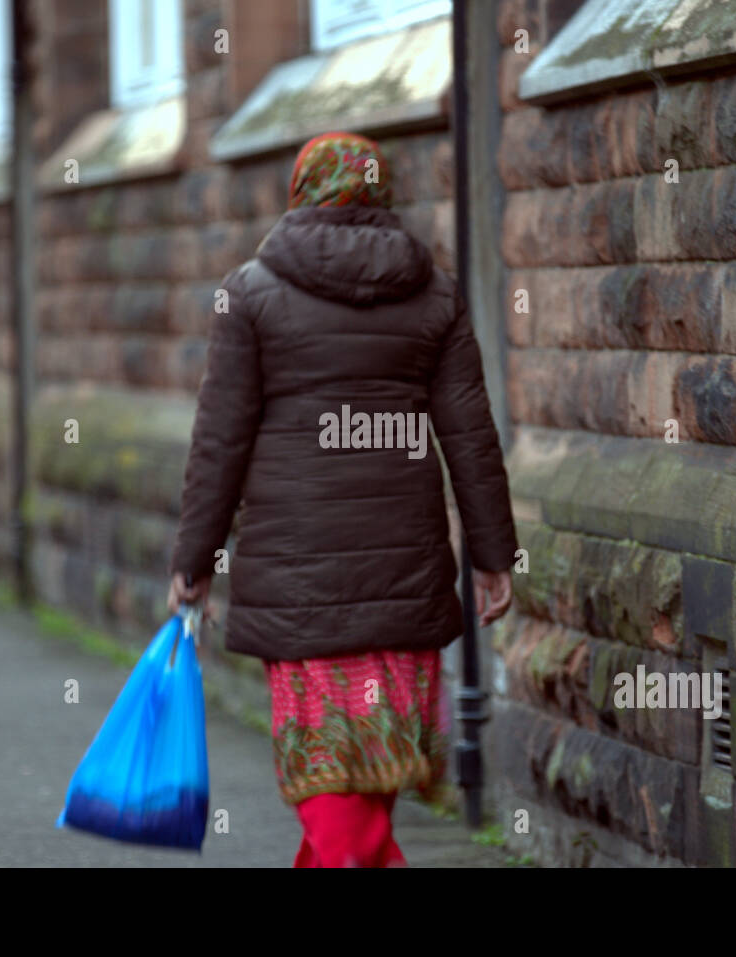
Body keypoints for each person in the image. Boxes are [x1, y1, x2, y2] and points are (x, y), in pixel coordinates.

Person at [168, 131, 517, 867]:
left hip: (301, 587)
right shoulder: (436, 295)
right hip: (403, 577)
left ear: (301, 194)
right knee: (361, 791)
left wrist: (194, 558)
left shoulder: (251, 292)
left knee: (334, 790)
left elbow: (220, 440)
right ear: (378, 194)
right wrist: (491, 554)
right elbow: (471, 434)